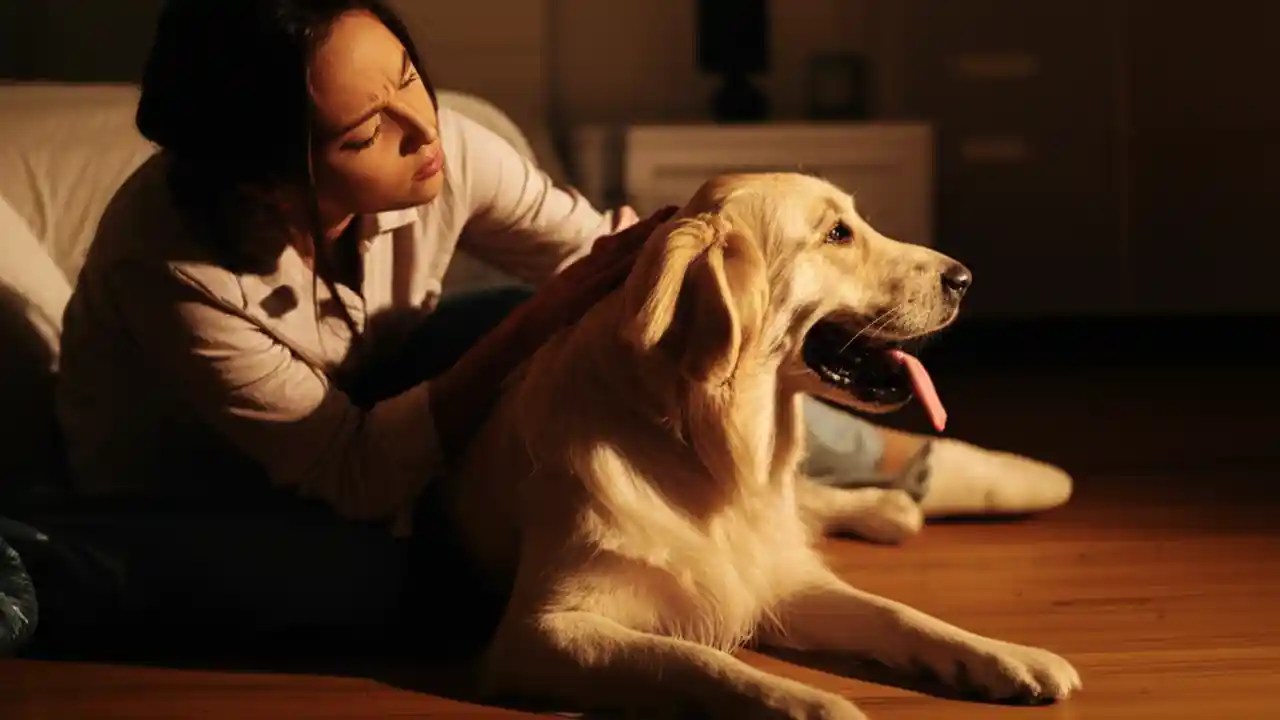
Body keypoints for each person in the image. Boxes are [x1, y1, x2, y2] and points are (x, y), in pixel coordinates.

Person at [51, 0, 1070, 638]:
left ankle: (880, 465)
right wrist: (539, 325)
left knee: (542, 317)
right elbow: (352, 470)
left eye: (409, 71)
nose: (424, 130)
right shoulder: (173, 275)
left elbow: (597, 262)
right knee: (405, 587)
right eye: (371, 129)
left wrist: (700, 258)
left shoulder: (443, 144)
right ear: (272, 182)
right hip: (237, 484)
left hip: (378, 383)